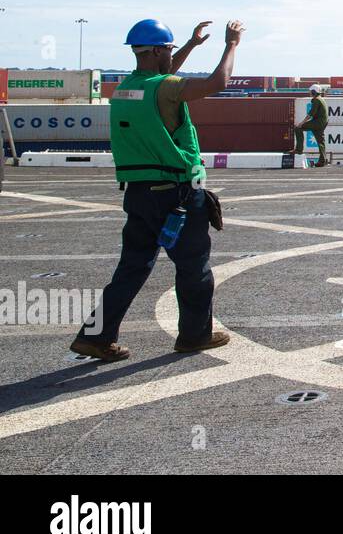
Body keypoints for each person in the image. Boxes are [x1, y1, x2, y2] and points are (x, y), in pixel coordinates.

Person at [70, 18, 245, 362]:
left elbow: (161, 78)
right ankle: (195, 336)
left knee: (131, 267)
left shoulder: (125, 88)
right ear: (154, 51)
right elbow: (217, 82)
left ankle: (96, 336)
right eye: (168, 48)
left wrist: (191, 45)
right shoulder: (163, 88)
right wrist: (232, 45)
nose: (171, 54)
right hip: (176, 194)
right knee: (194, 266)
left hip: (137, 193)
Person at [294, 84, 329, 167]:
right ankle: (322, 161)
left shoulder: (316, 100)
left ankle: (299, 150)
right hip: (323, 123)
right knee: (321, 142)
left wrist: (301, 123)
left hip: (317, 122)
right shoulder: (322, 99)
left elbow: (310, 114)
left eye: (310, 91)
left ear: (314, 92)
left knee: (298, 128)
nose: (309, 93)